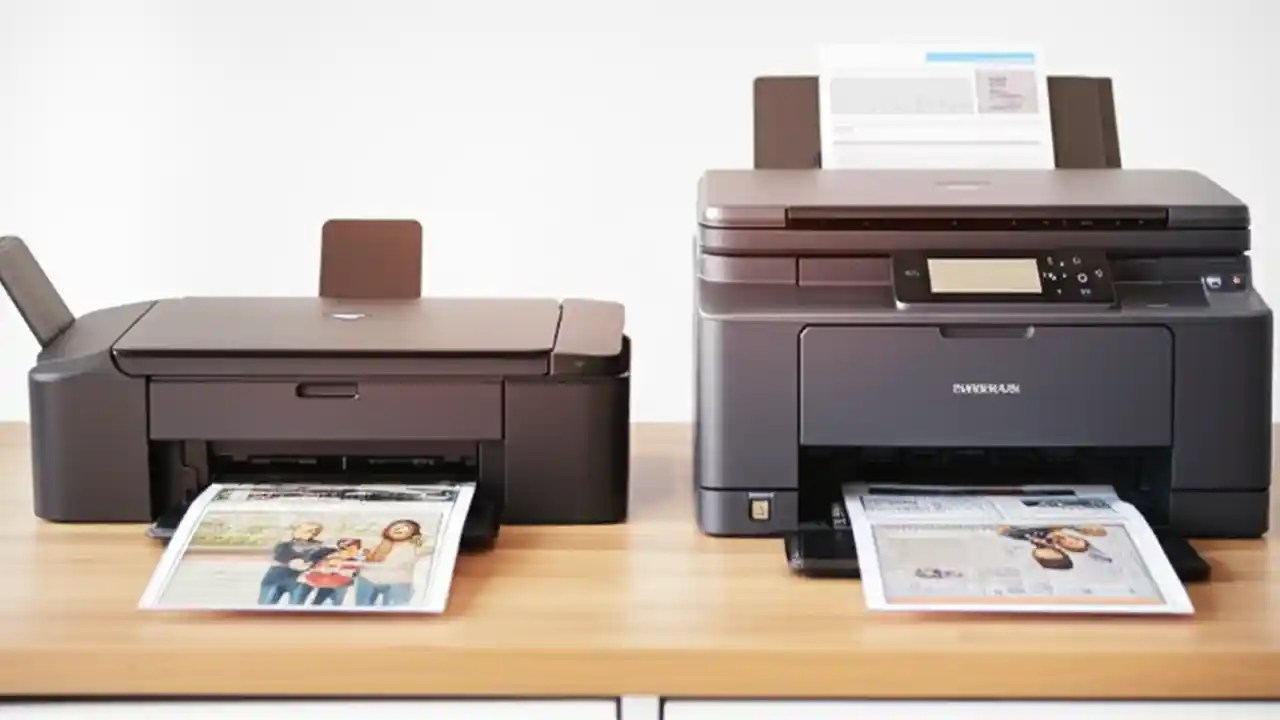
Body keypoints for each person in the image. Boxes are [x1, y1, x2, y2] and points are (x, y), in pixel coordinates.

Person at [355, 519, 429, 607]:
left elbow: (426, 547)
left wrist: (418, 538)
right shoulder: (376, 540)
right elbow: (357, 555)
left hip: (398, 582)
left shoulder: (413, 546)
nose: (401, 529)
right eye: (397, 526)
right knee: (362, 608)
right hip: (368, 578)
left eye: (407, 528)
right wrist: (365, 556)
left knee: (396, 611)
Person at [258, 521, 326, 605]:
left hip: (301, 580)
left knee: (296, 609)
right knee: (264, 608)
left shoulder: (320, 547)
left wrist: (311, 566)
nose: (310, 534)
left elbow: (321, 562)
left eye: (314, 532)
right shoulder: (283, 544)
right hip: (276, 578)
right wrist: (290, 564)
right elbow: (273, 559)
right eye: (307, 531)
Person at [303, 538, 364, 606]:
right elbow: (318, 569)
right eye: (352, 549)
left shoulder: (353, 561)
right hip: (324, 584)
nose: (354, 551)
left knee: (338, 605)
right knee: (316, 604)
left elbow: (354, 574)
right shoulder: (330, 556)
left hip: (341, 586)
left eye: (356, 549)